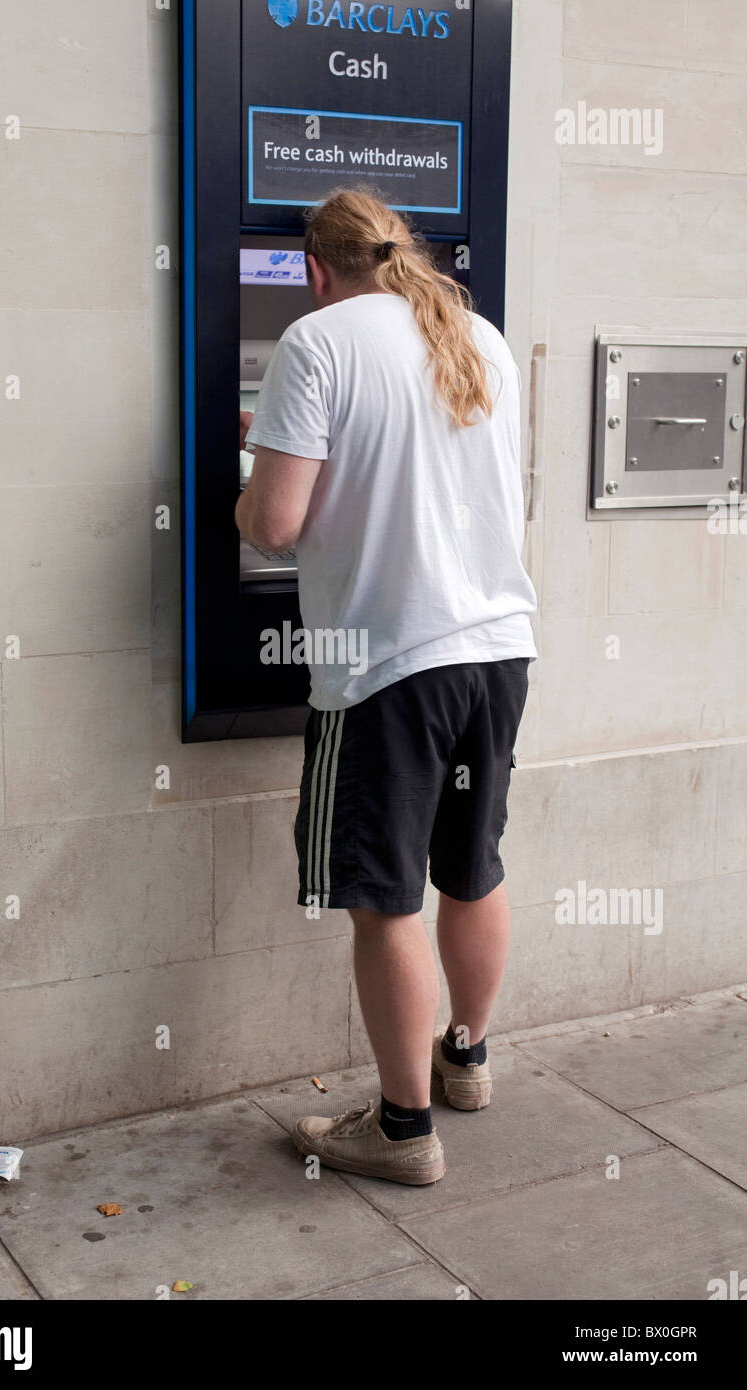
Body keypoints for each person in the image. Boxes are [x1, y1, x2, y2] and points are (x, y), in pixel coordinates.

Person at [235, 188, 537, 1186]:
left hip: (387, 661)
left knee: (383, 900)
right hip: (493, 647)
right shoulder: (477, 337)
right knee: (471, 867)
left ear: (316, 271)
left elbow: (274, 524)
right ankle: (465, 1059)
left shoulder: (315, 345)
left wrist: (247, 473)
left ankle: (402, 1130)